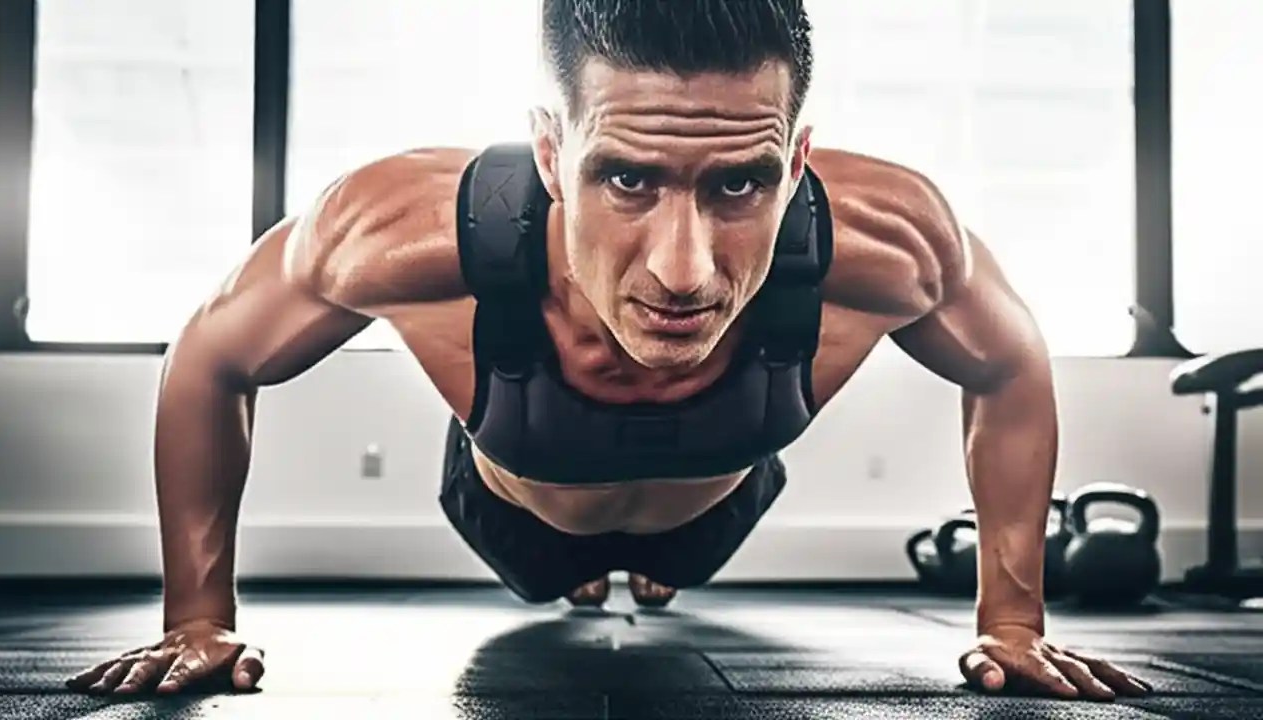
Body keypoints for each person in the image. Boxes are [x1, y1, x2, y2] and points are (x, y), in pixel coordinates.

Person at [65, 0, 1153, 702]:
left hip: (716, 512)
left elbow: (1007, 362)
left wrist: (1011, 621)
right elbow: (212, 356)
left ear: (798, 156)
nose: (683, 271)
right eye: (627, 177)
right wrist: (197, 620)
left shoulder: (891, 240)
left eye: (739, 183)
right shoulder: (399, 232)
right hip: (512, 521)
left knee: (664, 554)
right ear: (550, 149)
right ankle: (591, 576)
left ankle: (640, 571)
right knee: (555, 577)